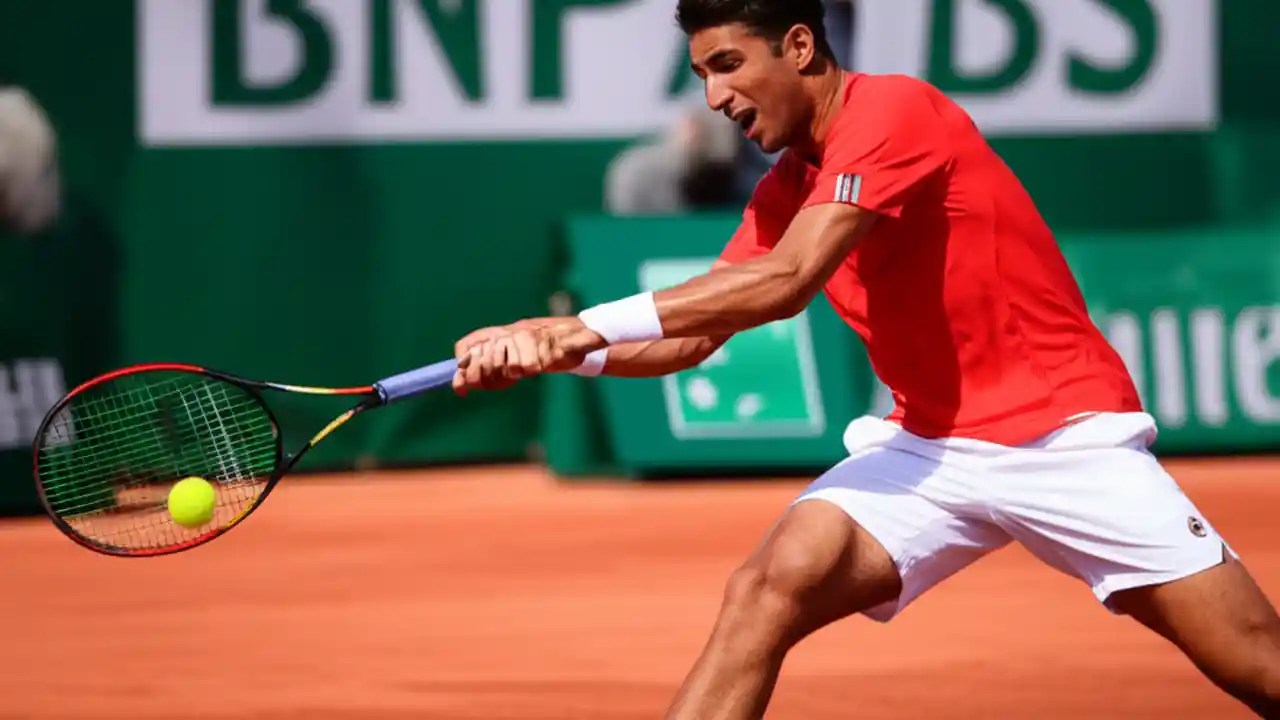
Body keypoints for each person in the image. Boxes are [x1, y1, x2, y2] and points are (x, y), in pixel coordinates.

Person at [451, 1, 1280, 717]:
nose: (715, 98)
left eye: (729, 65)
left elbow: (786, 281)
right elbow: (691, 338)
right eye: (701, 75)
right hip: (931, 450)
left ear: (800, 47)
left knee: (1255, 664)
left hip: (1061, 437)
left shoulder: (896, 112)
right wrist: (553, 354)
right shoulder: (787, 188)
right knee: (769, 587)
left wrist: (581, 326)